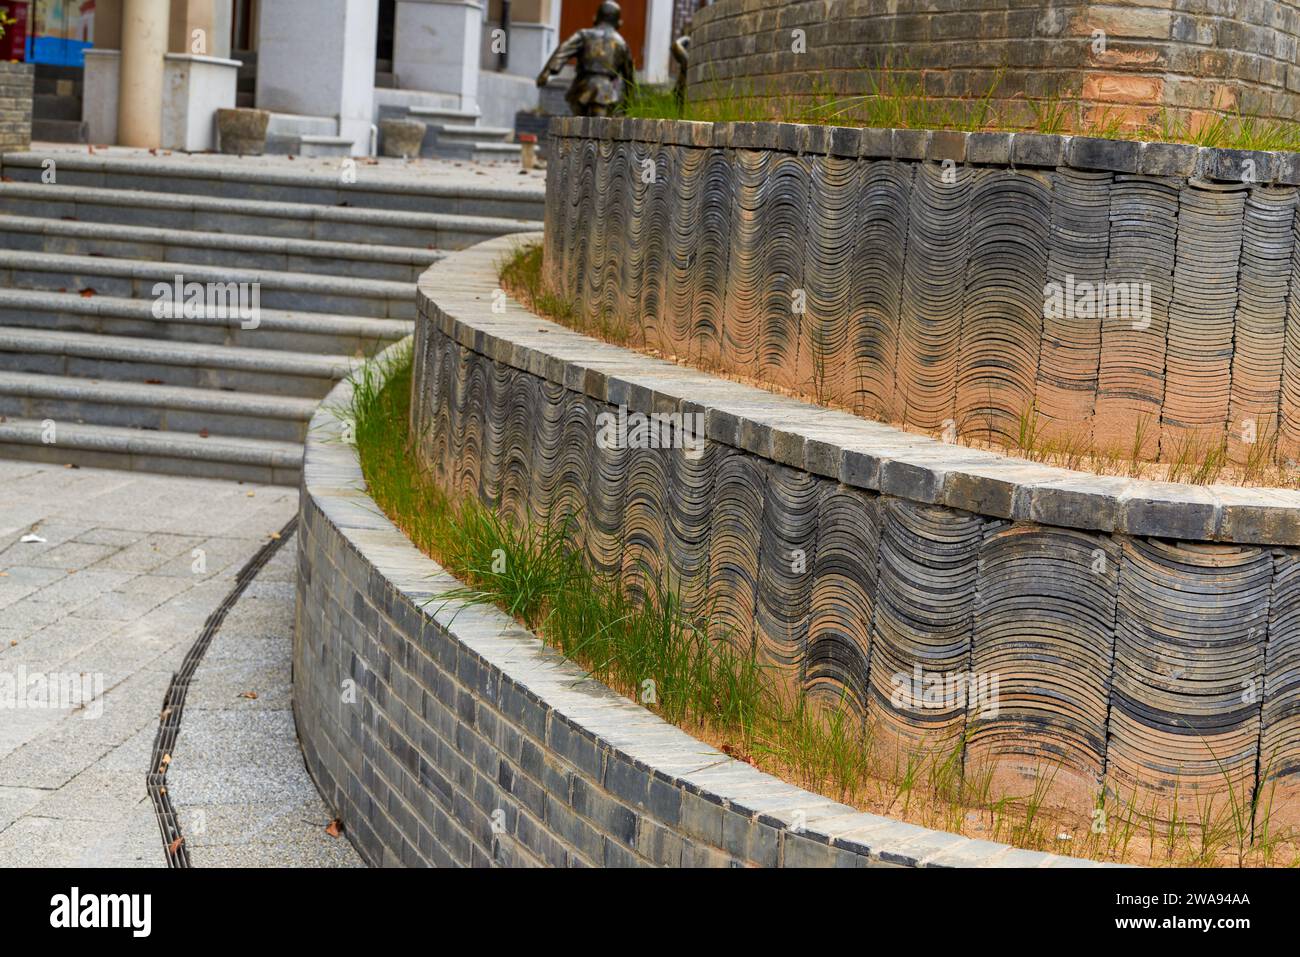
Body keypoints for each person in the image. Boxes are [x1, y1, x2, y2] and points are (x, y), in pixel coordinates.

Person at [536, 1, 636, 118]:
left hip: (582, 86)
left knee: (578, 123)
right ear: (619, 22)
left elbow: (563, 50)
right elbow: (629, 77)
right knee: (599, 127)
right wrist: (628, 102)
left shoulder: (584, 35)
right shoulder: (621, 44)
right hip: (605, 91)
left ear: (596, 17)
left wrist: (547, 72)